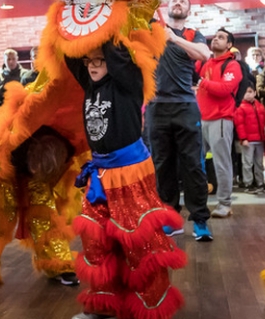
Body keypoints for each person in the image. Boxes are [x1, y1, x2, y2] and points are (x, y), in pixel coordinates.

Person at [65, 41, 187, 319]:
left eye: (99, 60)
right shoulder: (90, 83)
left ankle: (150, 308)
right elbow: (70, 54)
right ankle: (102, 306)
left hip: (130, 174)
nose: (93, 65)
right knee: (95, 241)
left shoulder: (128, 82)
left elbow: (116, 57)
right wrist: (76, 18)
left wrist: (107, 23)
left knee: (139, 243)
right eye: (89, 61)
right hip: (100, 174)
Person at [148, 0, 212, 238]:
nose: (178, 3)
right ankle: (171, 218)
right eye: (174, 0)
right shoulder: (153, 29)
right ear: (167, 6)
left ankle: (200, 221)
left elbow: (204, 55)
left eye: (183, 2)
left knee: (193, 165)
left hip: (185, 106)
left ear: (188, 11)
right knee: (162, 166)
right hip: (156, 107)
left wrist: (173, 39)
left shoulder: (193, 35)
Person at [197, 28, 240, 219]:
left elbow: (224, 89)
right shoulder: (205, 63)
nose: (216, 39)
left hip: (221, 119)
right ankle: (198, 202)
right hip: (201, 119)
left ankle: (225, 204)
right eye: (215, 36)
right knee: (196, 162)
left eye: (221, 37)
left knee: (221, 163)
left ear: (229, 45)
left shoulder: (232, 65)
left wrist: (201, 83)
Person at [234, 84, 265, 194]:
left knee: (259, 163)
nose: (248, 94)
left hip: (260, 139)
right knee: (247, 163)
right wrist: (243, 138)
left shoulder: (260, 106)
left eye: (250, 91)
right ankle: (248, 183)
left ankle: (260, 182)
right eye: (245, 92)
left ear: (255, 92)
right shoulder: (241, 108)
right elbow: (240, 124)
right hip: (248, 140)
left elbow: (264, 122)